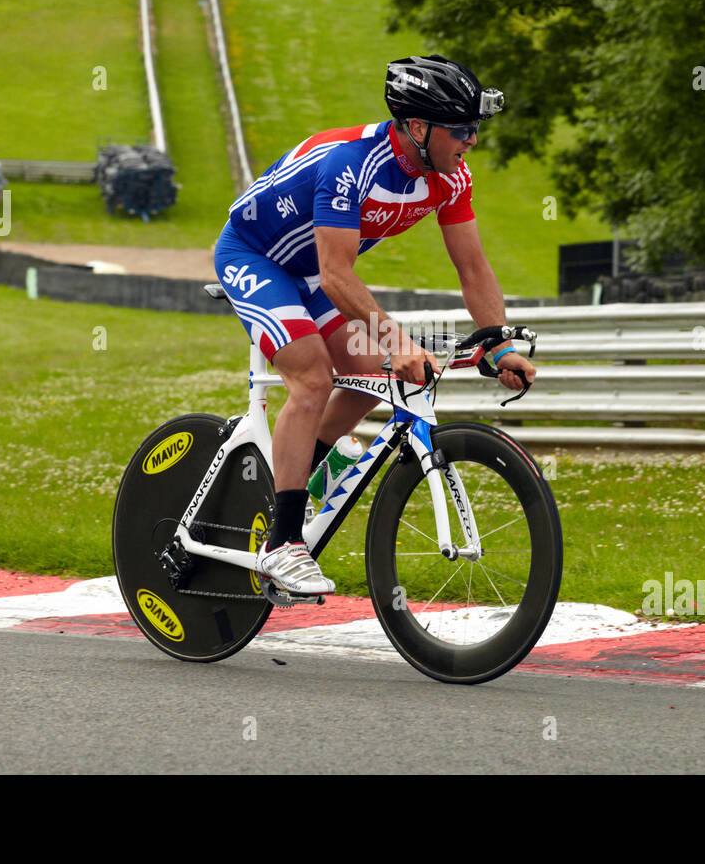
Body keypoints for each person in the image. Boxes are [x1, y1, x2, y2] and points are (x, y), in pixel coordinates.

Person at [212, 54, 536, 596]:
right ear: (417, 127)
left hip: (311, 273)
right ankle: (282, 543)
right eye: (460, 129)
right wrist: (399, 338)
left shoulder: (451, 177)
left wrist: (498, 344)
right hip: (254, 256)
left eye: (474, 128)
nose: (472, 140)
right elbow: (338, 273)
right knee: (312, 375)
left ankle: (299, 477)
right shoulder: (348, 164)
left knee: (388, 371)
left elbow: (473, 268)